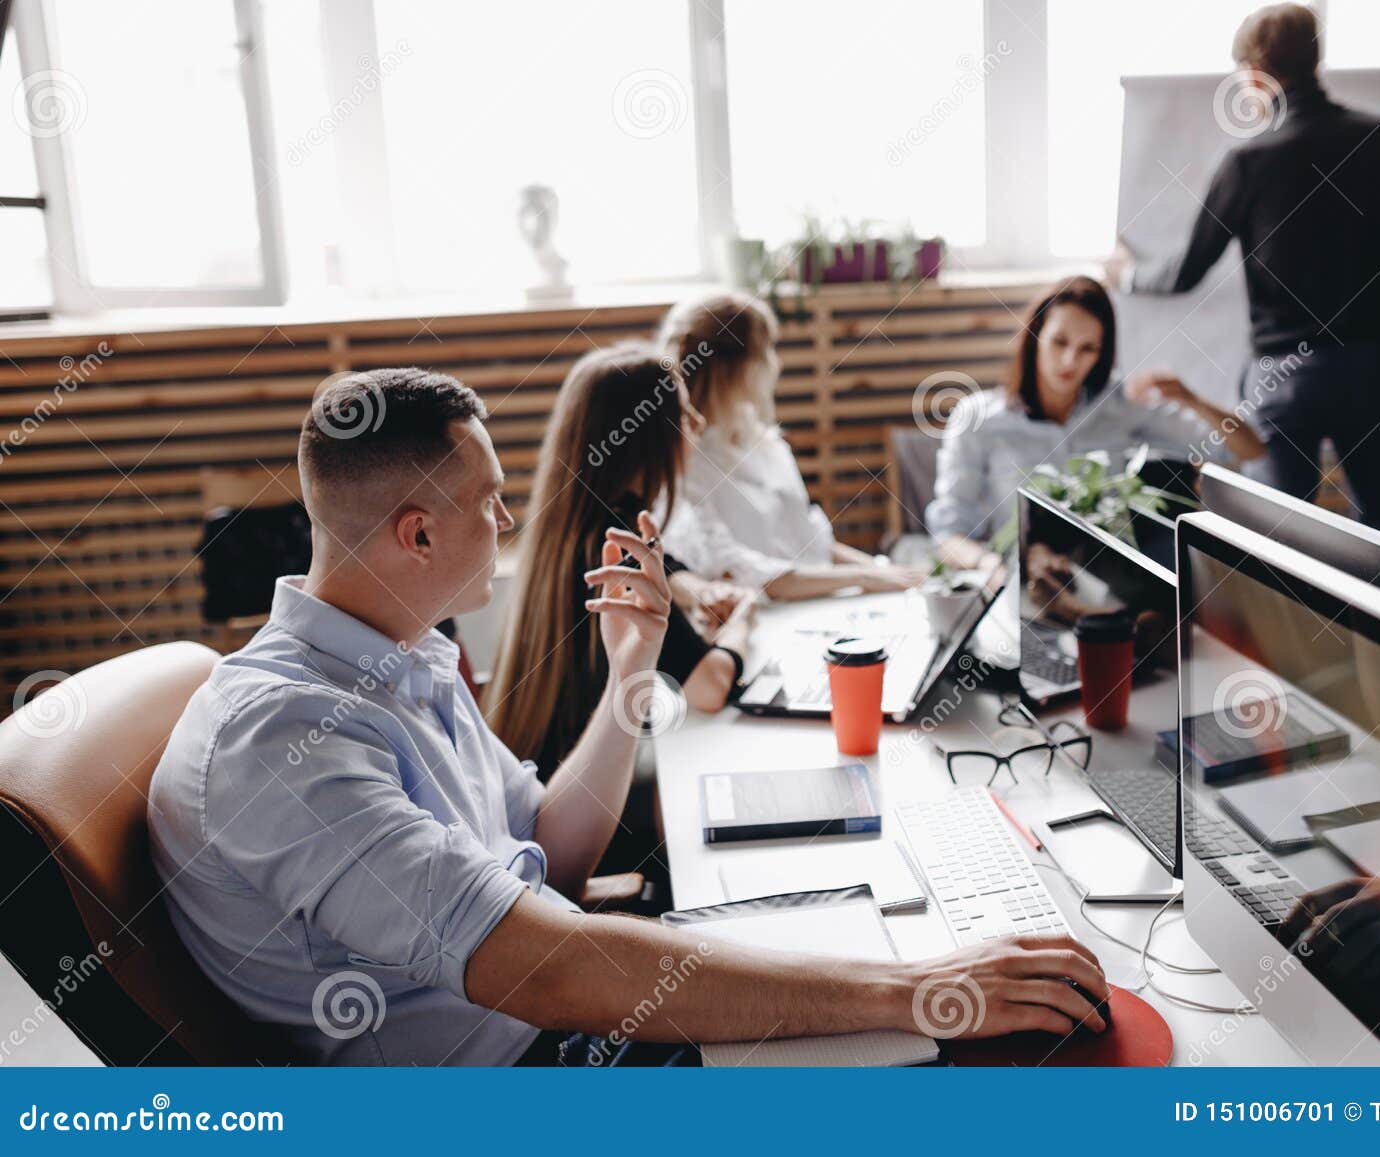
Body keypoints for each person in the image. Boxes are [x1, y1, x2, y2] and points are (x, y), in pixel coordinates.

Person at [148, 367, 1109, 1066]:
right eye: (490, 504)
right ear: (419, 532)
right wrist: (922, 991)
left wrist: (628, 677)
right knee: (957, 1046)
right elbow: (543, 967)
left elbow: (553, 855)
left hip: (555, 1021)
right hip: (520, 1069)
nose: (506, 523)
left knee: (898, 973)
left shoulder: (404, 655)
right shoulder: (280, 737)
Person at [1106, 2, 1380, 540]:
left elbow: (1187, 271)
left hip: (1283, 377)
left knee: (1281, 543)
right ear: (1316, 59)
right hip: (1370, 367)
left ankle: (1296, 626)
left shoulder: (1248, 161)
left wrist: (1127, 274)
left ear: (1254, 76)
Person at [484, 344, 751, 773]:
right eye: (684, 414)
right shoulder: (615, 546)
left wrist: (701, 593)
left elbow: (671, 571)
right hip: (580, 803)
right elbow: (710, 686)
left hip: (543, 772)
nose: (698, 424)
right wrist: (740, 625)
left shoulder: (578, 525)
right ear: (649, 437)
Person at [926, 275, 1264, 570]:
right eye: (1060, 342)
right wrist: (992, 567)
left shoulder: (1118, 404)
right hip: (1026, 579)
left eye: (1088, 349)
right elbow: (949, 533)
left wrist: (1191, 399)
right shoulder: (977, 419)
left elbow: (1247, 449)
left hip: (1112, 580)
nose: (1070, 361)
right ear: (1035, 337)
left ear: (1101, 354)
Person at [659, 289, 925, 599]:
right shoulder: (684, 468)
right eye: (767, 350)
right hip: (763, 618)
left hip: (827, 601)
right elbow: (753, 577)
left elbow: (811, 543)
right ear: (734, 369)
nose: (776, 364)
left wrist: (889, 573)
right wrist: (866, 577)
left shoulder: (766, 444)